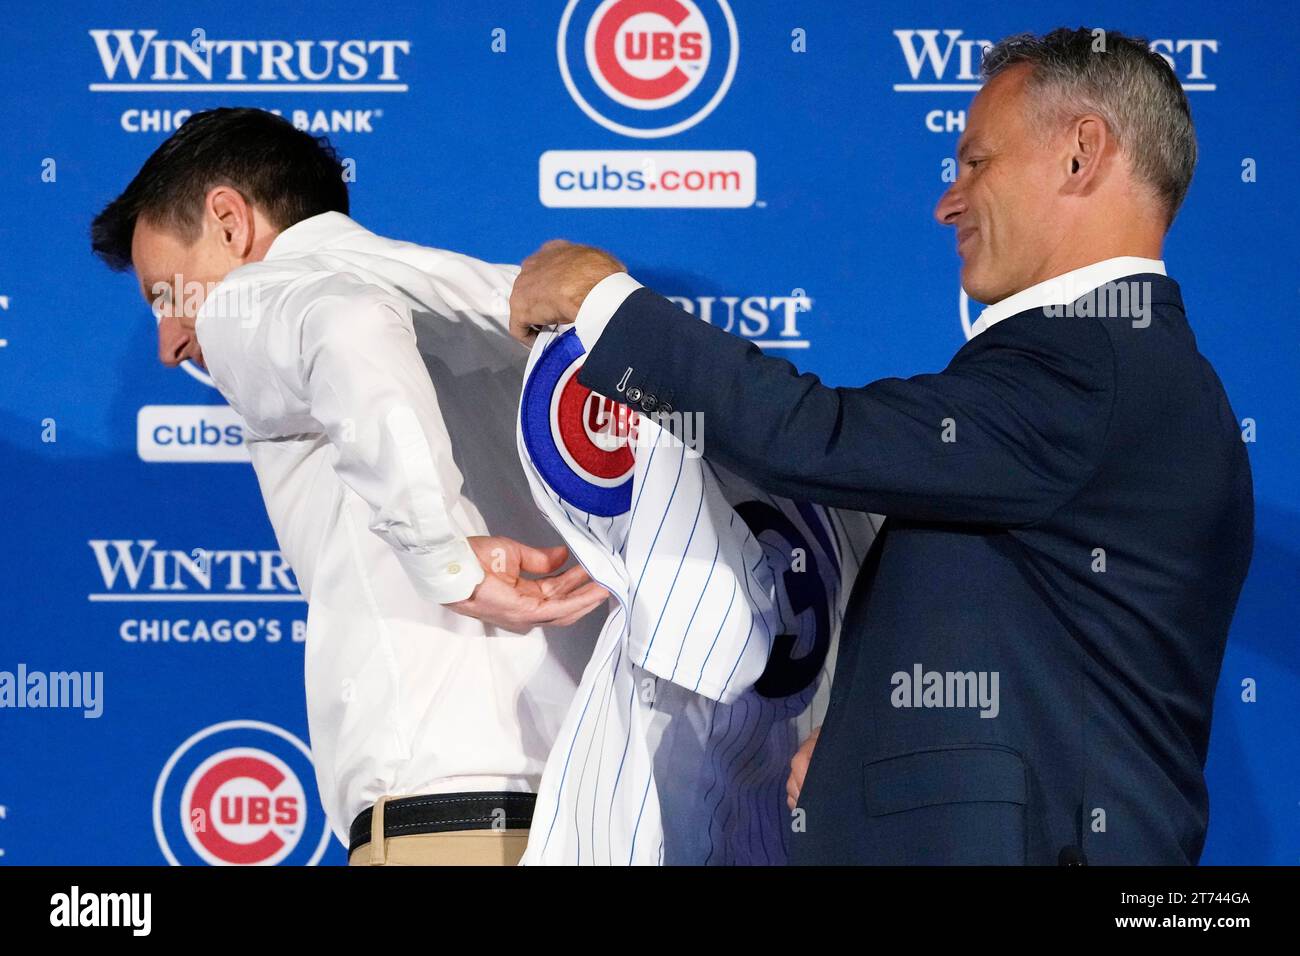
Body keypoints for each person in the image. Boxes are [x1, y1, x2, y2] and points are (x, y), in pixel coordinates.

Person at [506, 29, 1254, 864]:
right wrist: (866, 739)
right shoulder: (1120, 370)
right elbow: (1034, 647)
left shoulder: (1097, 364)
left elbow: (817, 436)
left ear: (1081, 155)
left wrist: (608, 306)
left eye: (976, 163)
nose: (949, 201)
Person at [91, 107, 607, 866]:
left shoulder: (263, 294)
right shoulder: (513, 298)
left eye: (166, 294)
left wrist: (447, 558)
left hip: (453, 826)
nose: (170, 343)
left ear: (230, 222)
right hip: (610, 812)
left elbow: (350, 326)